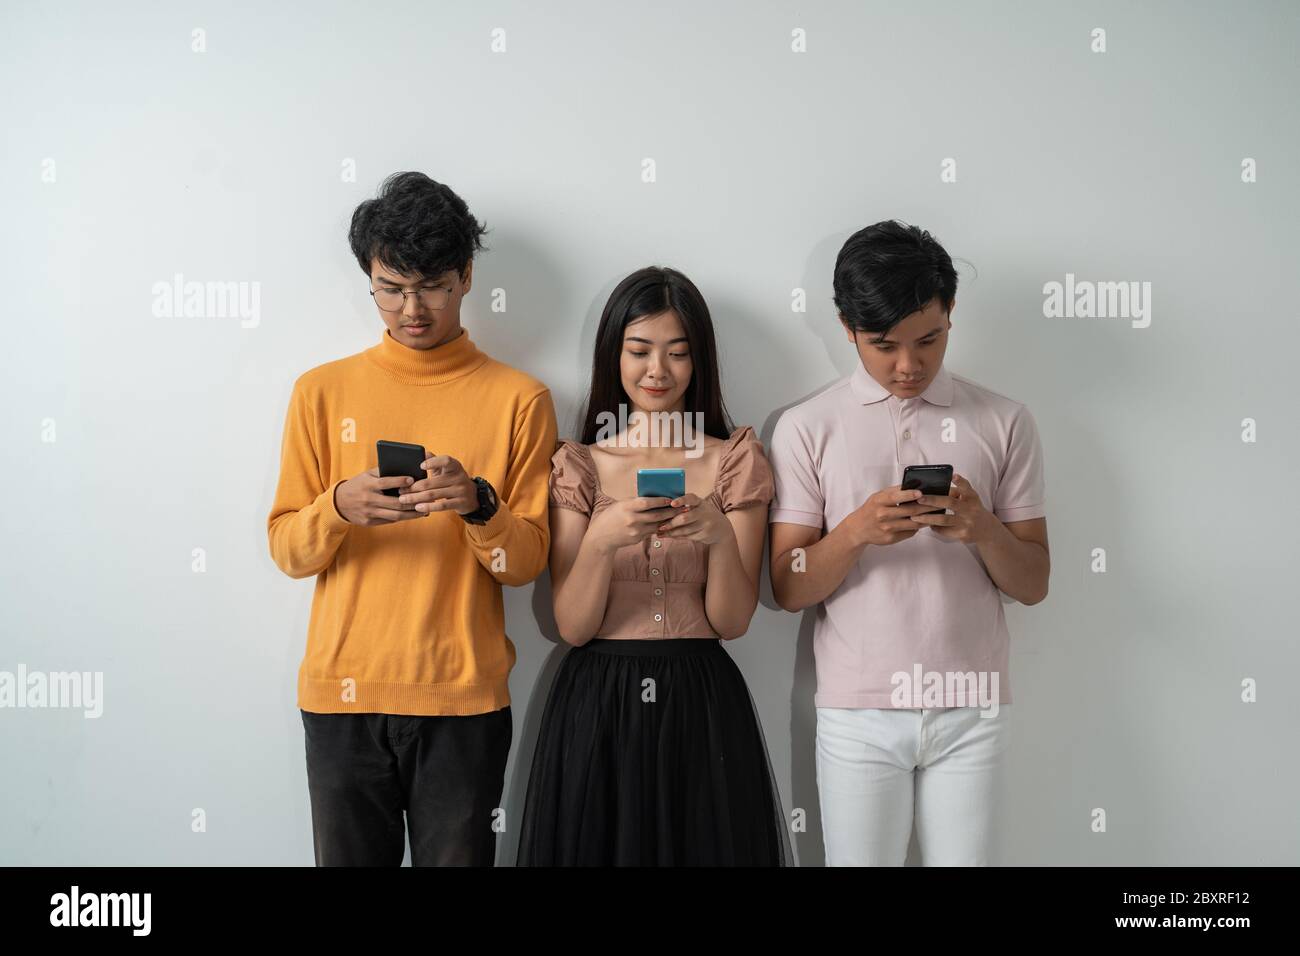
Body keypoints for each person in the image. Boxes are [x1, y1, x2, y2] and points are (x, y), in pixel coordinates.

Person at [266, 171, 557, 866]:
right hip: (342, 696)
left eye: (430, 285)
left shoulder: (520, 398)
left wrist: (477, 505)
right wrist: (338, 508)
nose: (410, 308)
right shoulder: (320, 391)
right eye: (390, 288)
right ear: (369, 278)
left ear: (464, 277)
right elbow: (287, 549)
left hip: (464, 701)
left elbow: (526, 563)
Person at [767, 221, 1050, 866]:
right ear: (846, 327)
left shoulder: (1005, 420)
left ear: (952, 313)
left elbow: (1033, 583)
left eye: (929, 340)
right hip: (857, 708)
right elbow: (787, 587)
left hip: (972, 705)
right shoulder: (806, 427)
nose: (908, 366)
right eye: (883, 345)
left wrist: (981, 528)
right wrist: (857, 532)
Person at [517, 266, 790, 865]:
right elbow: (572, 627)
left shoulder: (734, 461)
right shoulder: (580, 464)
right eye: (638, 351)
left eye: (678, 353)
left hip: (701, 698)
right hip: (598, 699)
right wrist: (601, 540)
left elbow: (732, 621)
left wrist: (719, 536)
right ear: (613, 355)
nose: (657, 371)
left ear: (701, 362)